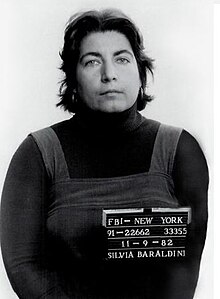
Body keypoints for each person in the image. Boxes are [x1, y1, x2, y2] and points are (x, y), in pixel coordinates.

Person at [0, 8, 209, 299]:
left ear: (141, 73)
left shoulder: (180, 150)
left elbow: (185, 270)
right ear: (73, 79)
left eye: (122, 59)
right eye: (92, 62)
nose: (109, 74)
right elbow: (23, 266)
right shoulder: (36, 153)